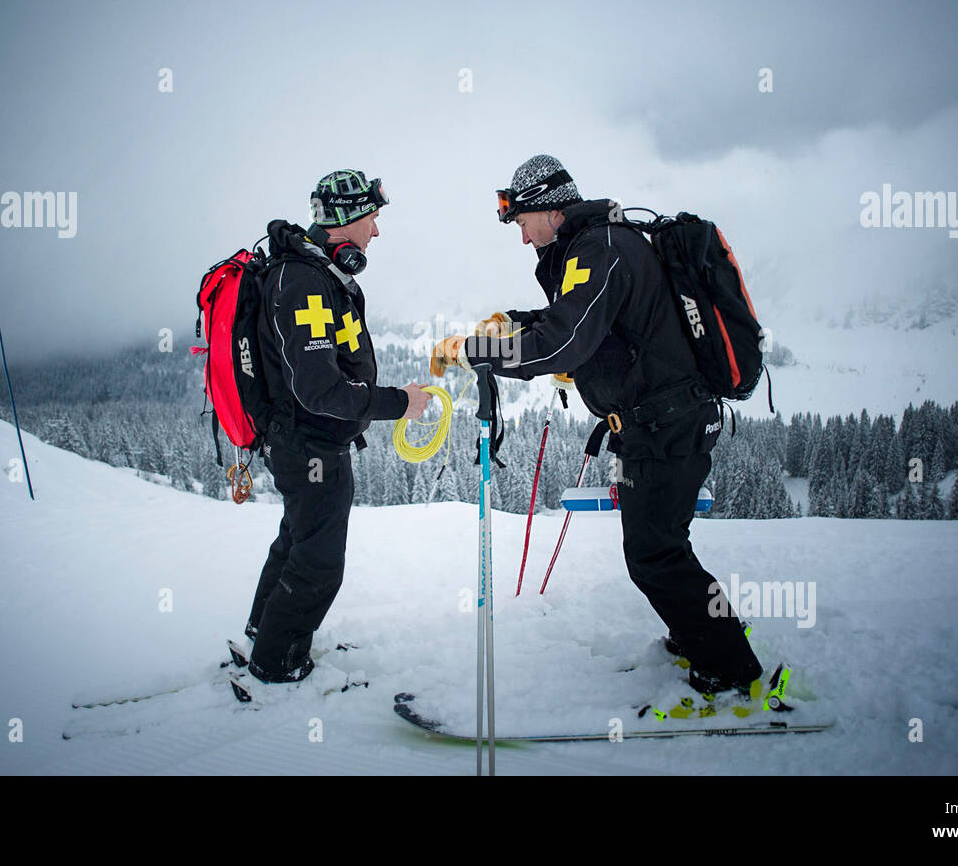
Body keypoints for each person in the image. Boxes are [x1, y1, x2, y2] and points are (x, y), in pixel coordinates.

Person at [431, 154, 762, 696]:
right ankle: (701, 633)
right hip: (657, 426)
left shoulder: (599, 249)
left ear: (551, 211)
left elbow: (564, 341)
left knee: (655, 556)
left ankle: (731, 669)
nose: (522, 238)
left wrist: (476, 350)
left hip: (667, 426)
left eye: (522, 224)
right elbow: (572, 320)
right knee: (663, 547)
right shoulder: (598, 246)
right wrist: (513, 323)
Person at [247, 169, 431, 685]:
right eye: (372, 218)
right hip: (310, 446)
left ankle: (263, 634)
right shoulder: (305, 281)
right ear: (347, 221)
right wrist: (400, 403)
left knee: (297, 541)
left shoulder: (317, 273)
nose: (376, 231)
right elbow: (319, 391)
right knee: (319, 562)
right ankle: (276, 664)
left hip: (306, 440)